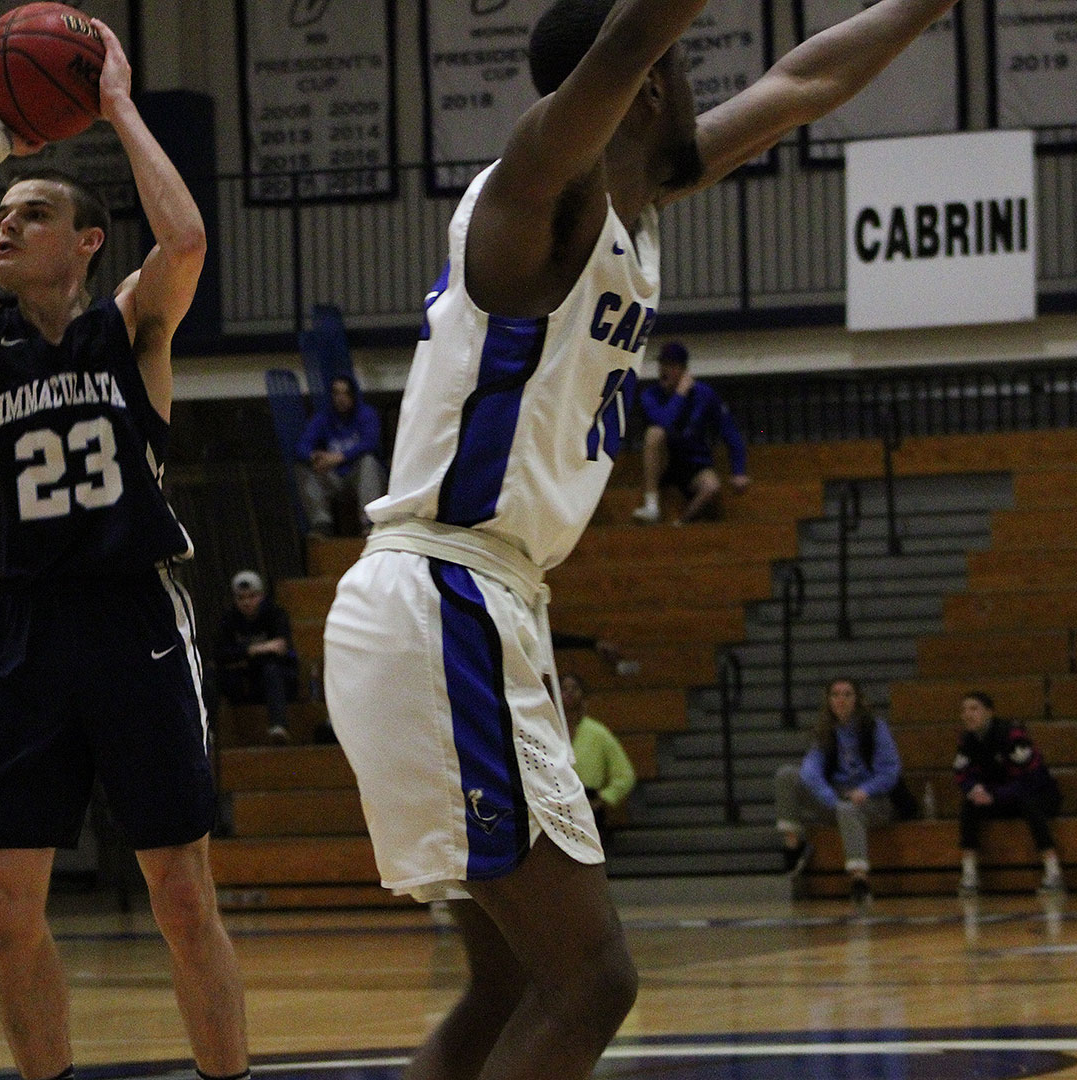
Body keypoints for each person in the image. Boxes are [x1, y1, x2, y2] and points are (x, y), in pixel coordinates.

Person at [318, 0, 960, 1069]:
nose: (709, 86)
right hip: (443, 595)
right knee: (594, 979)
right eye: (689, 64)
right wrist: (640, 41)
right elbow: (621, 44)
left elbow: (807, 82)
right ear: (653, 79)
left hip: (477, 601)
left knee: (516, 983)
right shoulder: (535, 191)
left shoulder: (635, 194)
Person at [0, 18, 250, 1080]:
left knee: (182, 893)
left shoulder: (129, 328)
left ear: (86, 242)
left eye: (32, 214)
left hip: (132, 613)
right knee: (5, 909)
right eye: (1, 216)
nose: (4, 226)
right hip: (29, 626)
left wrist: (121, 106)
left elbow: (183, 246)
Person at [774, 678, 902, 904]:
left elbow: (890, 771)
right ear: (828, 700)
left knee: (848, 809)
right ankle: (794, 847)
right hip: (840, 799)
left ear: (858, 699)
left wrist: (865, 790)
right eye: (835, 694)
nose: (840, 699)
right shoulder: (826, 731)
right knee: (787, 776)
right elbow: (810, 770)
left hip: (874, 801)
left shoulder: (874, 727)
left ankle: (859, 880)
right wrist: (832, 799)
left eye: (847, 694)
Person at [954, 690, 1064, 896]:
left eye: (974, 709)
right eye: (964, 710)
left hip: (1039, 793)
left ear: (989, 712)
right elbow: (961, 772)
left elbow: (1030, 780)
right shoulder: (966, 740)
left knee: (1030, 803)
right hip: (998, 796)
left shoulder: (1012, 735)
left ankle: (1053, 871)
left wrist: (995, 795)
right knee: (969, 805)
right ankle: (969, 874)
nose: (968, 714)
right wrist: (974, 790)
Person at [632, 342, 749, 524]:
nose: (665, 370)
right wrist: (679, 394)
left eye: (671, 366)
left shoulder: (704, 394)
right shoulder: (650, 395)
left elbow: (730, 432)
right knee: (654, 433)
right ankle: (651, 505)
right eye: (662, 365)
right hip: (665, 461)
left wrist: (739, 470)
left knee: (712, 486)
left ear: (683, 369)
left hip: (693, 462)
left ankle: (682, 523)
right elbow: (664, 421)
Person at [214, 571, 299, 744]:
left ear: (261, 596)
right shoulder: (229, 619)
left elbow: (281, 647)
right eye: (241, 598)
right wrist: (259, 649)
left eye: (252, 596)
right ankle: (210, 732)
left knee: (272, 670)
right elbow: (221, 655)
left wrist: (244, 652)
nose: (246, 602)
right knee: (212, 675)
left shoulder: (275, 614)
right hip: (244, 680)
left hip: (275, 679)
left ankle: (278, 726)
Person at [296, 375, 386, 536]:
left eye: (345, 393)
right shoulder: (323, 418)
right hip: (334, 477)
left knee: (368, 461)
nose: (341, 399)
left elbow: (370, 443)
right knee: (304, 468)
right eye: (336, 393)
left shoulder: (366, 414)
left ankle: (369, 522)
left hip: (360, 476)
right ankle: (321, 524)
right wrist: (314, 456)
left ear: (353, 395)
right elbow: (302, 446)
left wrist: (339, 457)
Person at [559, 674, 636, 840]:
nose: (569, 693)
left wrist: (602, 800)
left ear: (584, 697)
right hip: (555, 806)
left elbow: (625, 775)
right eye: (564, 689)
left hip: (588, 804)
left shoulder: (598, 733)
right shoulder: (548, 732)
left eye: (574, 689)